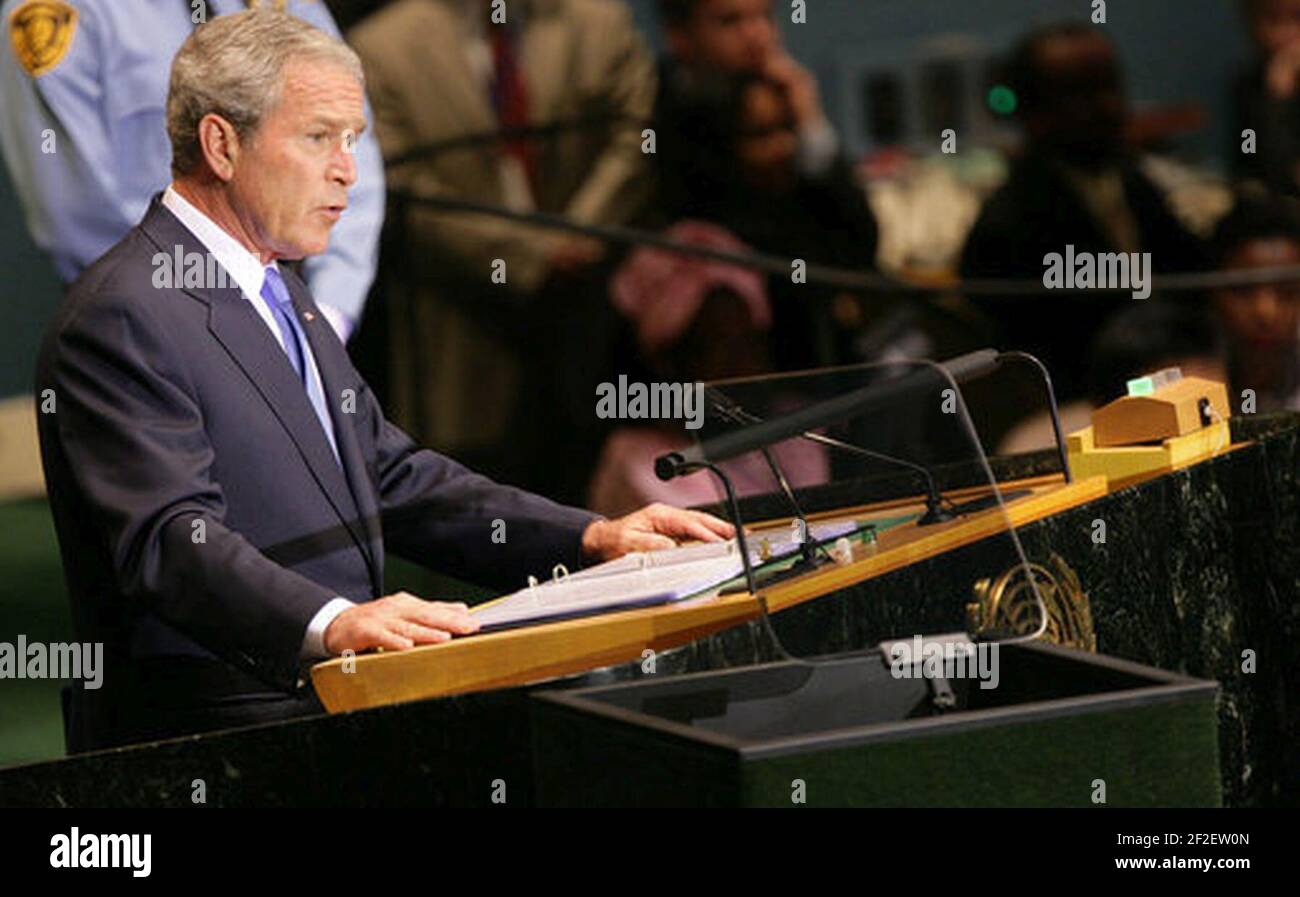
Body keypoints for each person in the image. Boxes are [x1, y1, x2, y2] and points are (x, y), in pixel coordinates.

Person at [35, 11, 731, 753]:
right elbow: (172, 542)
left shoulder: (281, 289)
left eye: (353, 140)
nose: (348, 170)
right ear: (221, 144)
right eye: (318, 137)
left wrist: (591, 536)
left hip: (329, 718)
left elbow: (389, 475)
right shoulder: (122, 315)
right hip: (211, 742)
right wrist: (331, 622)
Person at [348, 0, 656, 488]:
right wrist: (534, 256)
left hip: (594, 321)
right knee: (487, 512)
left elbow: (637, 139)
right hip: (462, 326)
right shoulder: (381, 48)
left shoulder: (599, 22)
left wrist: (578, 235)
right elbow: (402, 189)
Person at [0, 0, 383, 341]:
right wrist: (224, 316)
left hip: (293, 305)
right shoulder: (55, 13)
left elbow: (348, 136)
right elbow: (77, 210)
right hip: (149, 325)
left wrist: (328, 312)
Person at [960, 23, 1206, 402]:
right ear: (1033, 112)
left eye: (1111, 87)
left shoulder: (1133, 179)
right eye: (1082, 94)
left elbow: (1188, 277)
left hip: (1167, 387)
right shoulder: (1008, 224)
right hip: (1076, 410)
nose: (1108, 107)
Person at [1208, 191, 1300, 411]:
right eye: (1243, 291)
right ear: (1212, 291)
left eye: (1287, 293)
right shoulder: (1186, 374)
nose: (1265, 312)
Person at [1233, 0, 1300, 197]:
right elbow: (1249, 152)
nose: (1285, 33)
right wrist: (1275, 100)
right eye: (1272, 20)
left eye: (1297, 17)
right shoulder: (1250, 86)